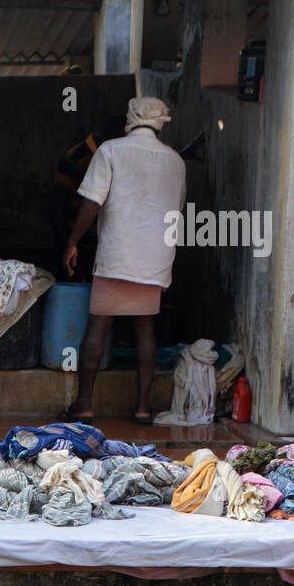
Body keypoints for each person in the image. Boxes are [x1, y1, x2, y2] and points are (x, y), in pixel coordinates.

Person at [62, 97, 186, 424]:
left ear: (131, 117)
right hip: (155, 256)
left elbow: (91, 202)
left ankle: (85, 405)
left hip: (119, 253)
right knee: (145, 326)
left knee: (99, 324)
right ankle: (144, 407)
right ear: (161, 121)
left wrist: (73, 241)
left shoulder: (111, 150)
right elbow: (177, 209)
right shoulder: (175, 160)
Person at [52, 113, 126, 279]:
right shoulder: (78, 157)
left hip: (105, 245)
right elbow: (57, 204)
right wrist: (68, 244)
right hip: (80, 244)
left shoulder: (118, 156)